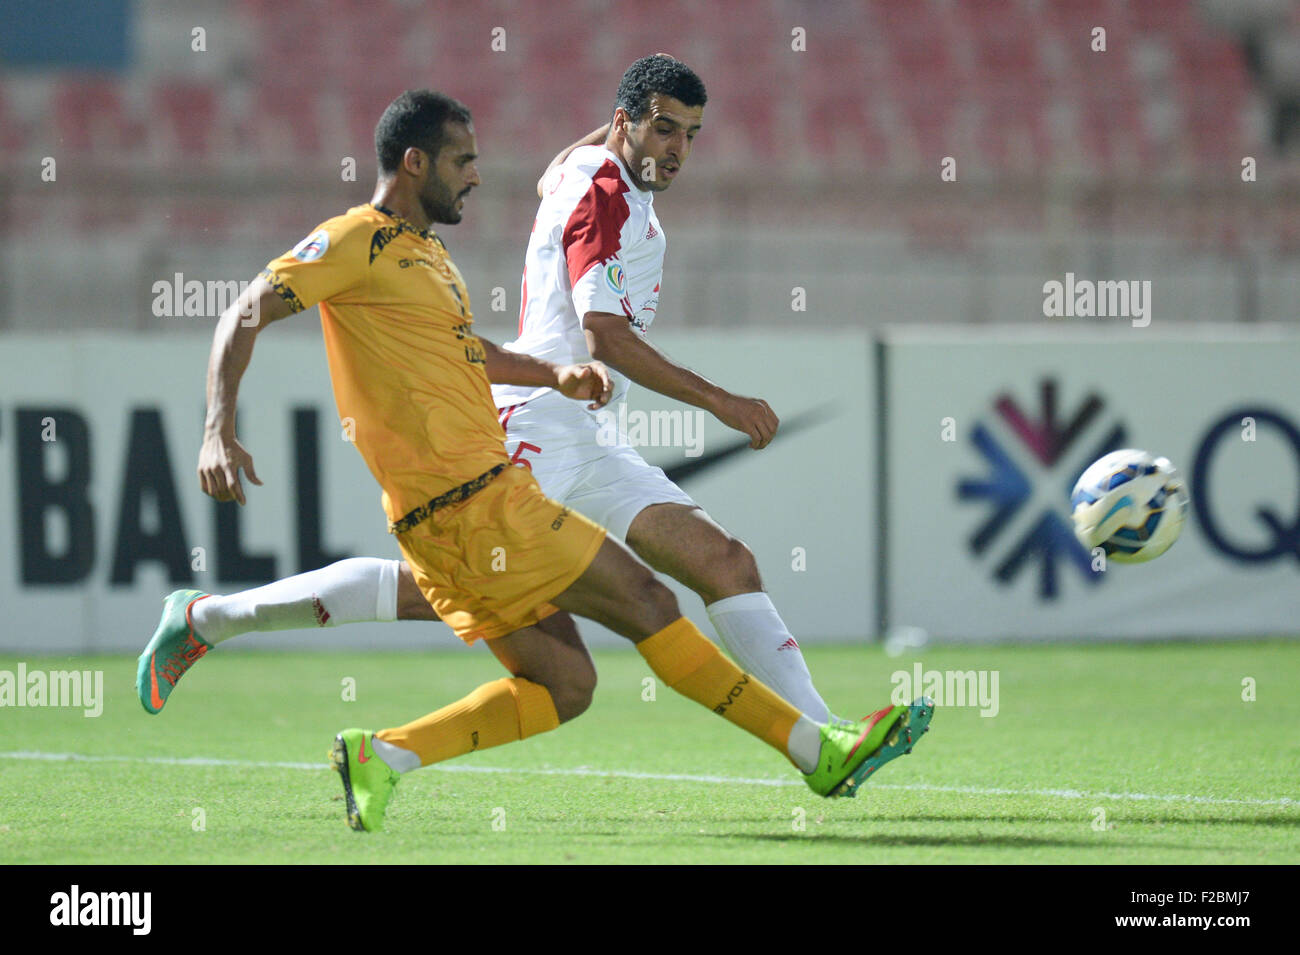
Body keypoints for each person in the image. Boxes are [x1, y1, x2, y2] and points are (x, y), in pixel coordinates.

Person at [137, 87, 932, 832]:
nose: (479, 176)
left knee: (569, 684)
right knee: (649, 605)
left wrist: (550, 370)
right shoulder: (356, 240)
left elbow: (467, 349)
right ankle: (817, 752)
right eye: (462, 161)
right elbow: (245, 309)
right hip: (478, 492)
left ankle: (377, 749)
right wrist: (216, 426)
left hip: (488, 484)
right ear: (415, 162)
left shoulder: (433, 261)